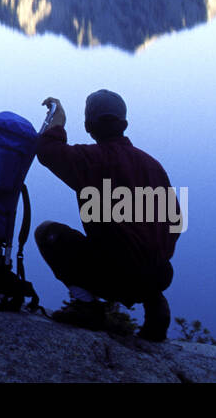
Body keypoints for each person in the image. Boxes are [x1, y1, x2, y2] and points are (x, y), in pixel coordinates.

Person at [32, 89, 178, 341]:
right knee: (137, 255)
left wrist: (58, 117)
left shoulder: (90, 160)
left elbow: (46, 150)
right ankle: (154, 302)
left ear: (89, 126)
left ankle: (87, 306)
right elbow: (174, 222)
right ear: (125, 125)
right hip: (159, 273)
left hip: (116, 274)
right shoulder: (153, 166)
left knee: (48, 233)